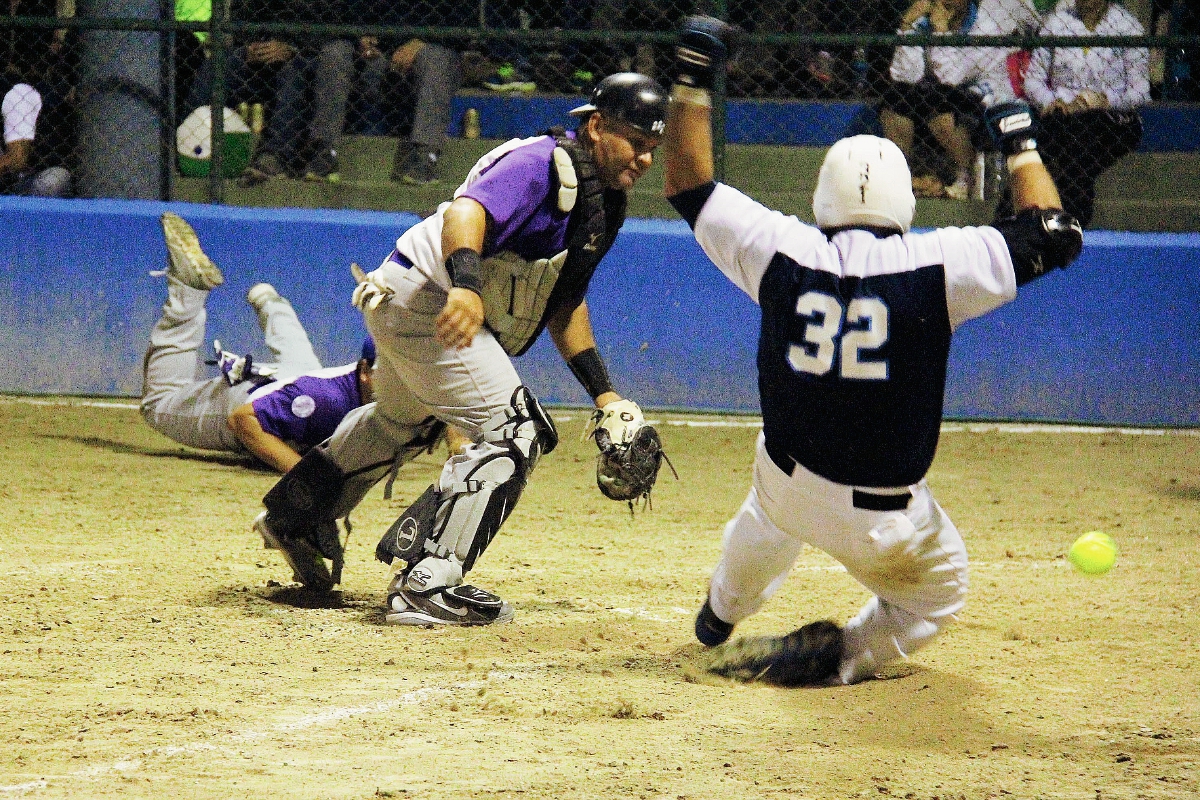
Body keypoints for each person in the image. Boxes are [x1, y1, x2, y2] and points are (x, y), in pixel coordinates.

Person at [664, 17, 1083, 685]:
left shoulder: (780, 248)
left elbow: (689, 183)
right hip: (884, 521)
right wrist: (1020, 143)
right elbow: (1055, 232)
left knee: (768, 509)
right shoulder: (943, 262)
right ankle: (841, 655)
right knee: (939, 596)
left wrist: (690, 78)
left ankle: (720, 611)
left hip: (787, 479)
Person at [251, 73, 668, 624]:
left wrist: (605, 395)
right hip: (429, 301)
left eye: (652, 147)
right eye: (635, 142)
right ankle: (426, 583)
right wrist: (467, 286)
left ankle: (295, 517)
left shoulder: (603, 204)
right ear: (595, 126)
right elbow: (464, 213)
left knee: (399, 422)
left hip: (406, 297)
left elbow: (565, 304)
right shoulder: (543, 163)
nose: (644, 158)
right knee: (515, 431)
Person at [142, 212, 376, 473]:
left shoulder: (374, 385)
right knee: (159, 404)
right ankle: (189, 289)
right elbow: (242, 420)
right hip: (255, 399)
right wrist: (308, 478)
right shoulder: (324, 398)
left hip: (302, 381)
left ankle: (270, 302)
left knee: (306, 370)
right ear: (365, 372)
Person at [879, 0, 1039, 198]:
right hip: (933, 92)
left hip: (979, 94)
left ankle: (966, 179)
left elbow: (952, 78)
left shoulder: (987, 23)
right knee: (895, 101)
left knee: (940, 106)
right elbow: (905, 76)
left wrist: (941, 34)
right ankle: (901, 178)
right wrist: (907, 27)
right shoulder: (923, 22)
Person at [186, 0, 355, 185]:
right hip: (267, 49)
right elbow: (242, 14)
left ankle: (278, 155)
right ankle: (186, 141)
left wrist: (292, 46)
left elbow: (339, 23)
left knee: (293, 71)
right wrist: (253, 45)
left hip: (310, 51)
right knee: (218, 65)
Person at [1022, 0, 1149, 228]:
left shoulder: (1128, 27)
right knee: (1055, 135)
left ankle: (1072, 218)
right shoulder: (1057, 23)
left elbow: (1140, 91)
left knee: (1078, 140)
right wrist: (1051, 101)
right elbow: (1033, 80)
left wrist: (1104, 100)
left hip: (1111, 116)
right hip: (1063, 113)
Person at [354, 32, 462, 185]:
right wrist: (362, 41)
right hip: (381, 57)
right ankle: (325, 153)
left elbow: (459, 35)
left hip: (431, 54)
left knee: (434, 57)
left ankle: (425, 156)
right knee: (339, 53)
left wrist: (421, 42)